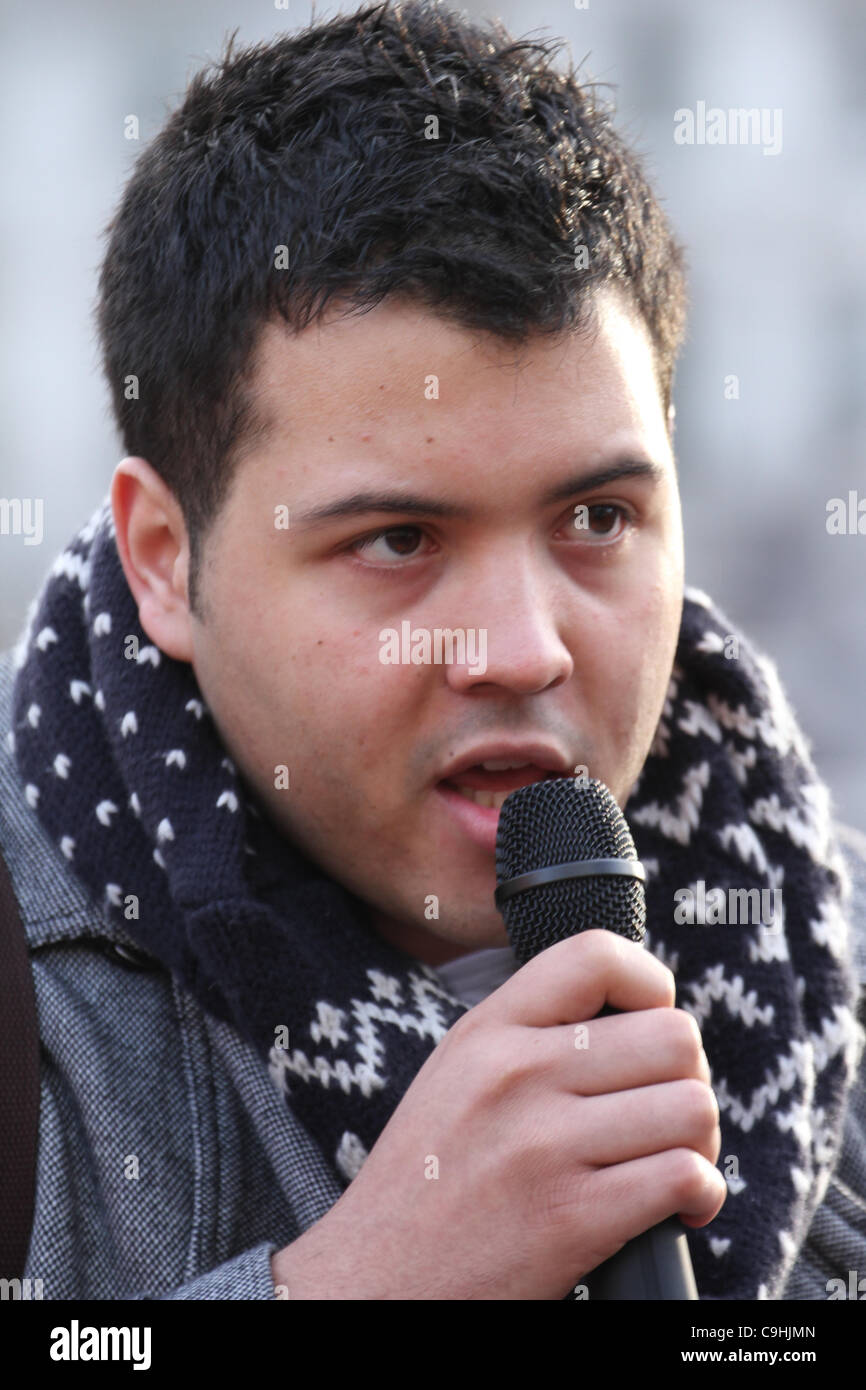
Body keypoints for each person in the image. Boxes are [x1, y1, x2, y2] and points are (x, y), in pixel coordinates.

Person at [1, 0, 864, 1302]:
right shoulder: (35, 1021)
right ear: (165, 561)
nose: (520, 649)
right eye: (399, 538)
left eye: (594, 519)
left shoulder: (828, 946)